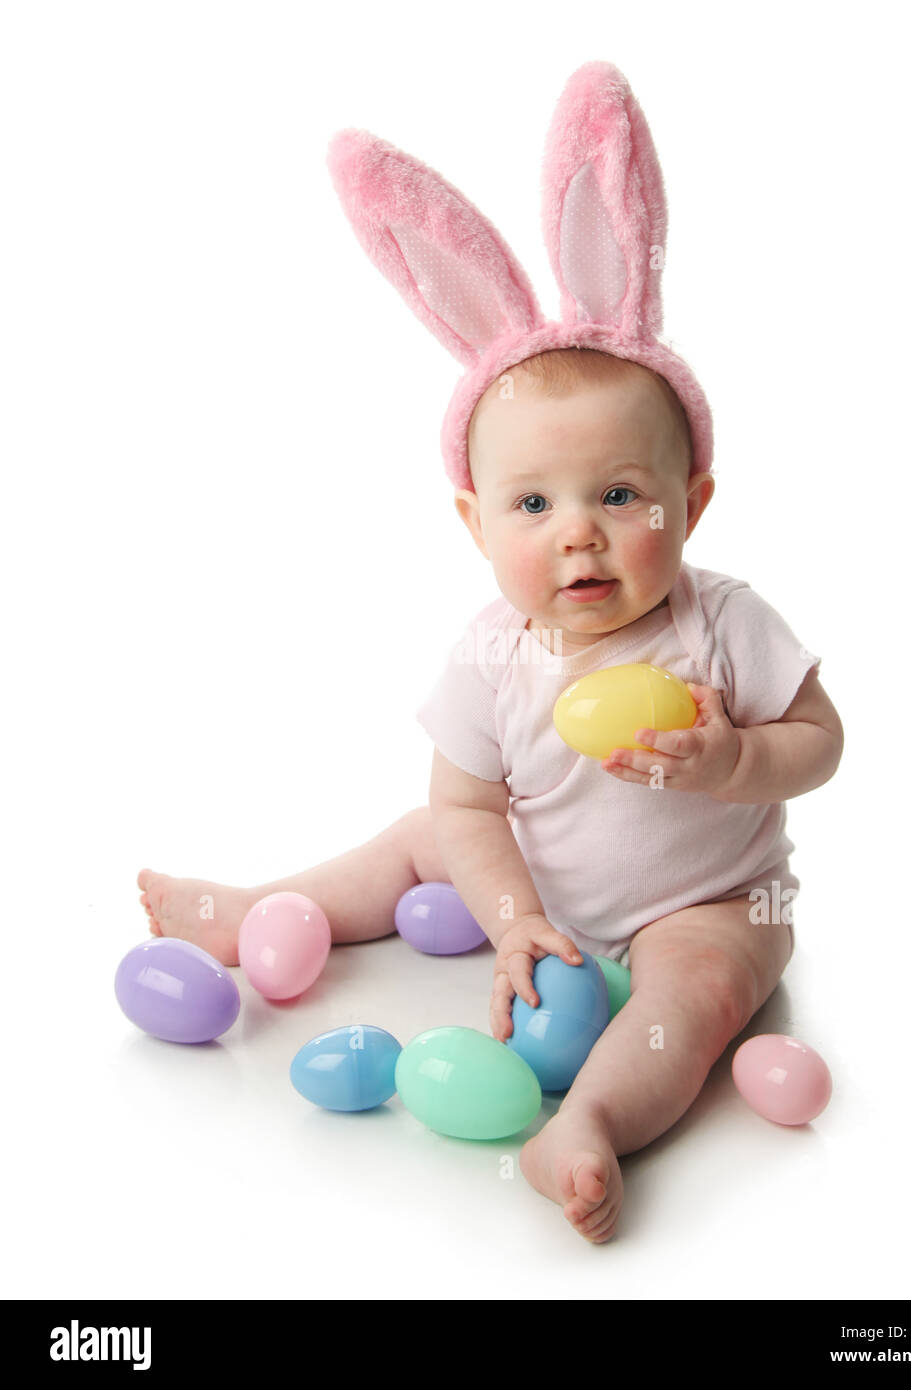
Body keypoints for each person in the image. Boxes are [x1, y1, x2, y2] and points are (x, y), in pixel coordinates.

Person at [139, 61, 844, 1243]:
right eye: (532, 506)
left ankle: (597, 1121)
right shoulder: (491, 653)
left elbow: (823, 741)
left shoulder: (725, 621)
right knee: (416, 837)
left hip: (706, 898)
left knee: (704, 988)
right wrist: (513, 914)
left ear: (692, 502)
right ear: (474, 523)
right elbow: (465, 809)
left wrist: (737, 760)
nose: (577, 532)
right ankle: (266, 905)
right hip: (546, 880)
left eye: (620, 493)